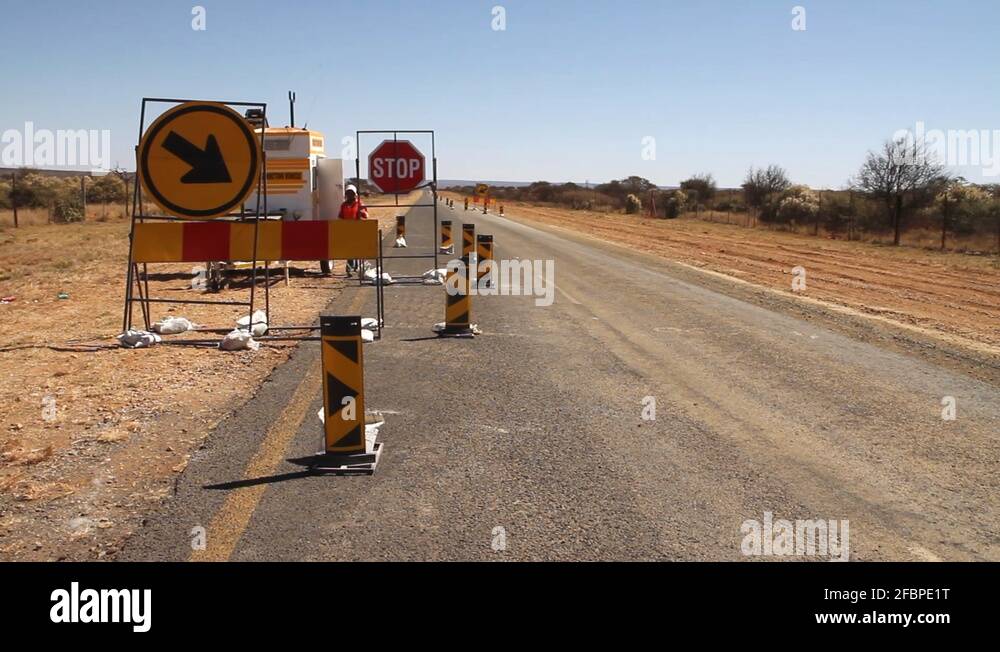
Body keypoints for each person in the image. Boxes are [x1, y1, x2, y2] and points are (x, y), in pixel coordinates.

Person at [338, 184, 368, 276]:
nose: (350, 195)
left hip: (358, 229)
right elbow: (340, 217)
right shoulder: (344, 205)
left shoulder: (359, 204)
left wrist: (361, 213)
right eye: (348, 193)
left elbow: (366, 216)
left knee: (357, 249)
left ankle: (357, 267)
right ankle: (350, 268)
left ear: (355, 194)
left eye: (351, 193)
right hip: (347, 230)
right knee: (350, 249)